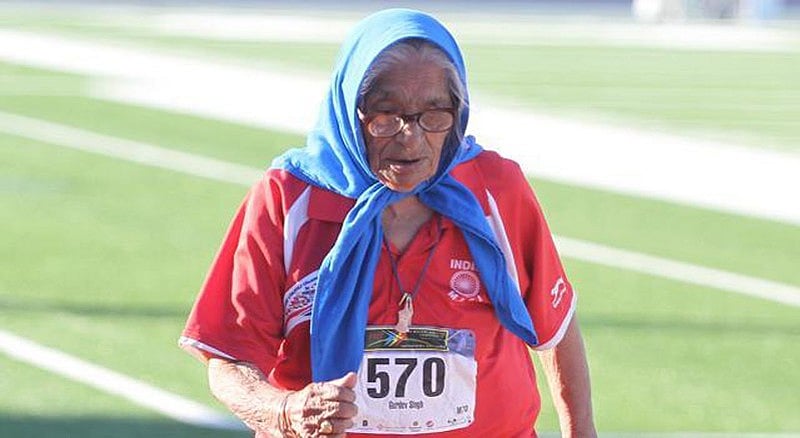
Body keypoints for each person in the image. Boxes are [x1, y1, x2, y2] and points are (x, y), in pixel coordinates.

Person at [180, 8, 596, 438]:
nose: (410, 136)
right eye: (385, 115)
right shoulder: (288, 199)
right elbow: (229, 357)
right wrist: (285, 411)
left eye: (434, 114)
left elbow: (556, 327)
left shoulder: (494, 189)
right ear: (349, 110)